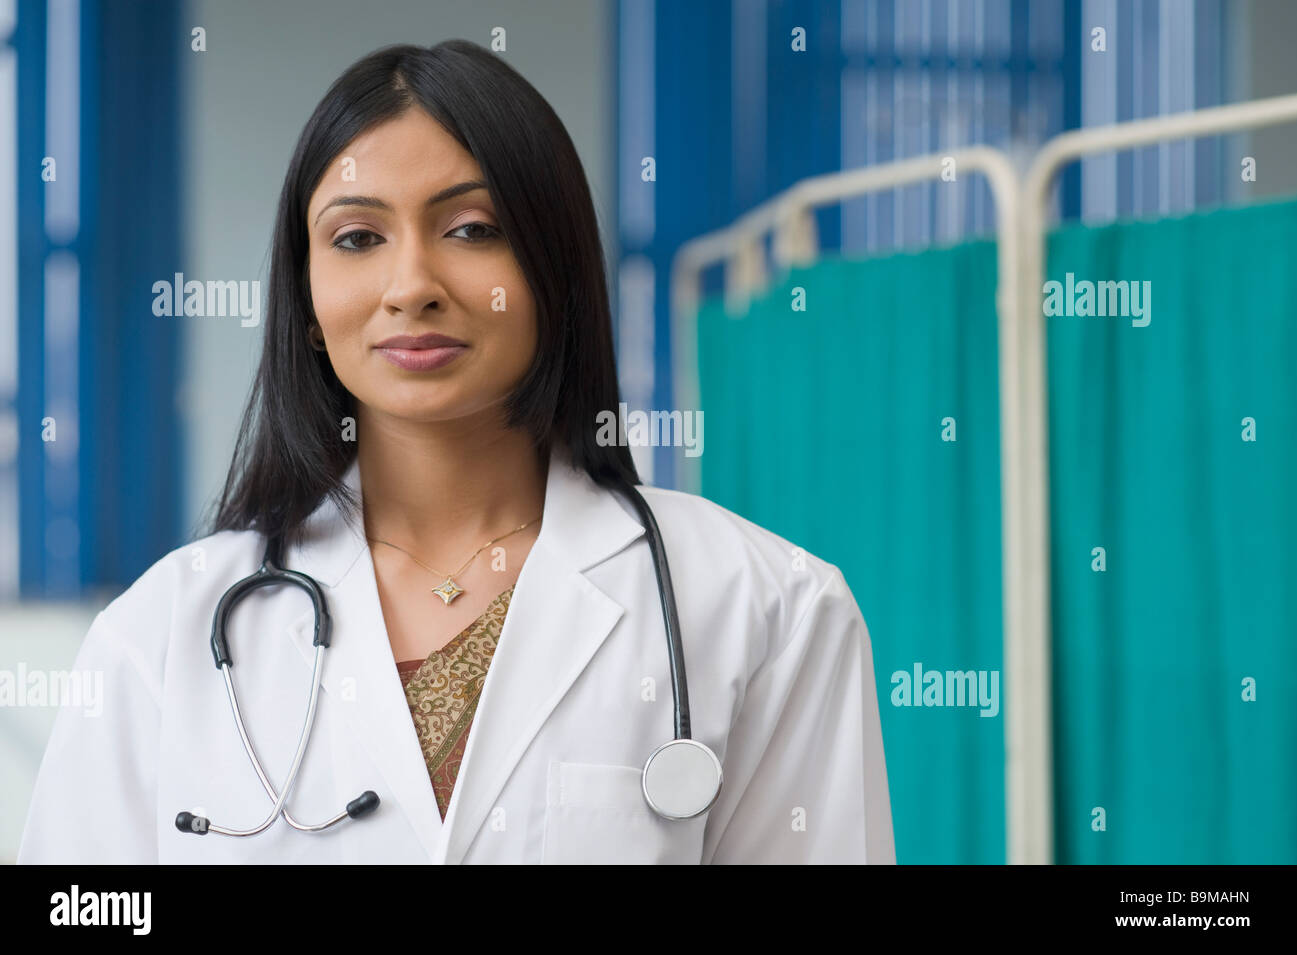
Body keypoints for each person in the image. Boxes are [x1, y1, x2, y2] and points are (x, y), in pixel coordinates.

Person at [17, 40, 894, 864]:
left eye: (472, 229)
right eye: (358, 238)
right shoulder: (159, 635)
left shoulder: (768, 610)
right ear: (308, 296)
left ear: (556, 267)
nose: (413, 287)